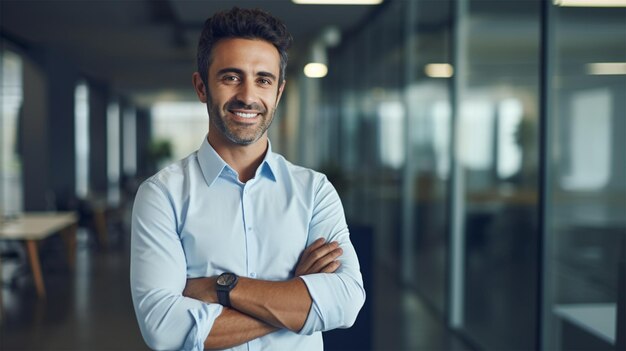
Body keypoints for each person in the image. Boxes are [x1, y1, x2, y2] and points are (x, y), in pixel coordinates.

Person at [130, 7, 365, 351]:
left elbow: (345, 303)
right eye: (230, 77)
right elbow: (163, 328)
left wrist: (222, 287)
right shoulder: (161, 195)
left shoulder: (315, 192)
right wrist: (293, 295)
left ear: (278, 93)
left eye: (263, 80)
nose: (248, 96)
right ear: (201, 86)